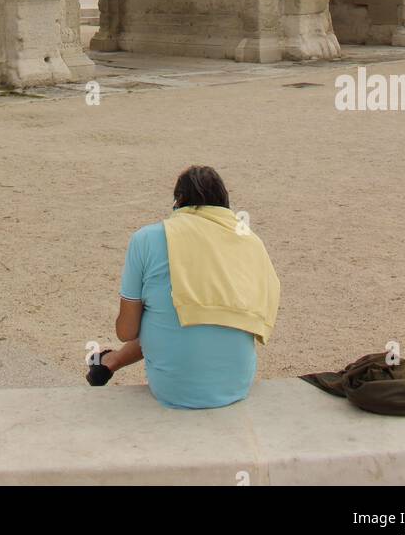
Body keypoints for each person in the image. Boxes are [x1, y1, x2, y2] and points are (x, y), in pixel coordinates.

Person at [86, 165, 280, 410]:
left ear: (179, 201)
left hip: (173, 389)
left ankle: (108, 361)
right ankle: (111, 361)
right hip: (236, 385)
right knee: (190, 310)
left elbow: (126, 331)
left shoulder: (146, 238)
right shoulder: (250, 242)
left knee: (165, 309)